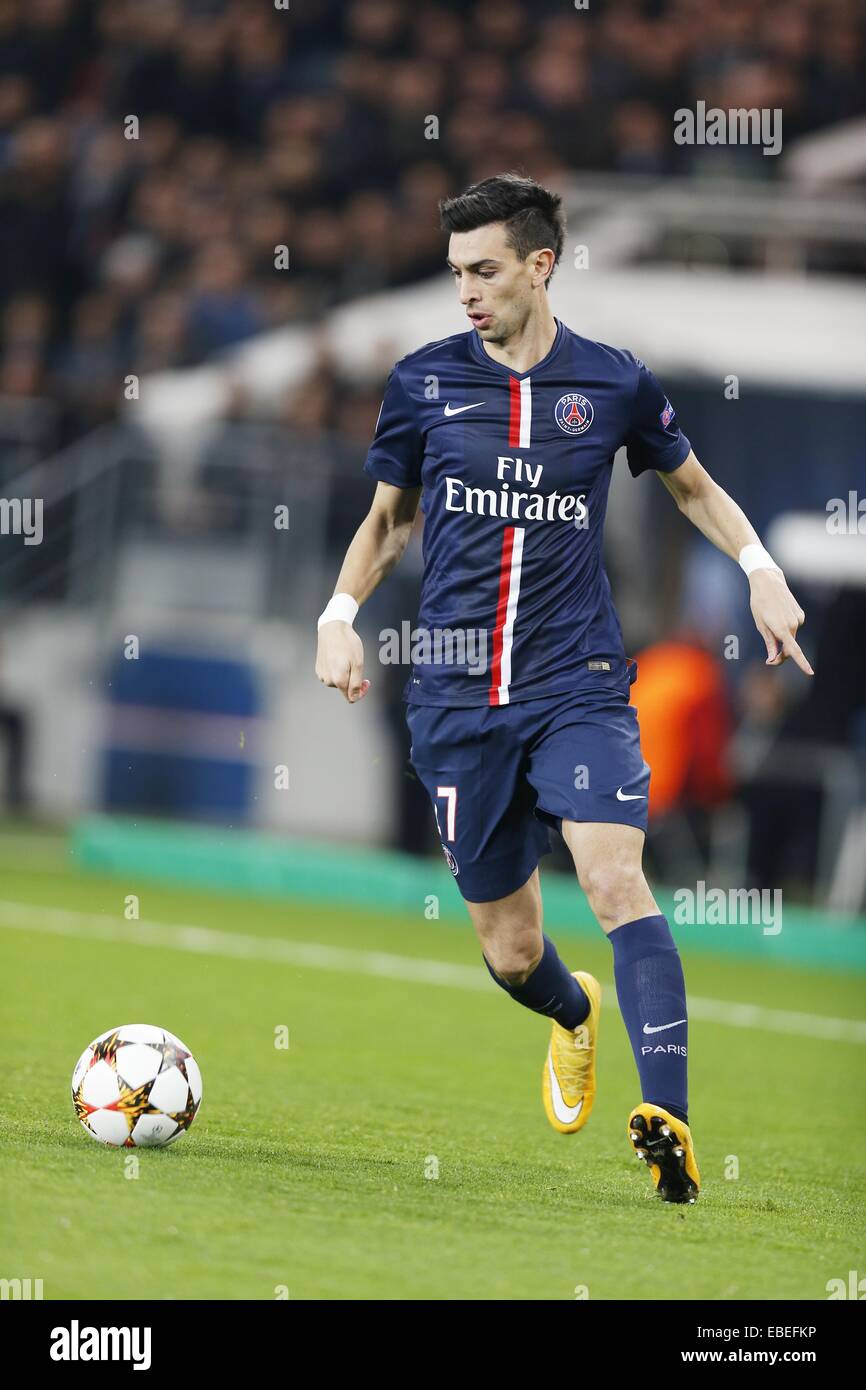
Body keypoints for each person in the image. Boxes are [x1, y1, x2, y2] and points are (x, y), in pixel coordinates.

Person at [315, 173, 812, 1204]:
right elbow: (388, 520)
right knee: (510, 947)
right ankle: (571, 1013)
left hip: (574, 679)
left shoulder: (614, 383)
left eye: (484, 270)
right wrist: (337, 613)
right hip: (454, 694)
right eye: (455, 273)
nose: (466, 291)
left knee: (615, 877)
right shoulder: (421, 382)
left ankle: (666, 1115)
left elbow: (690, 485)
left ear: (541, 266)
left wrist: (762, 570)